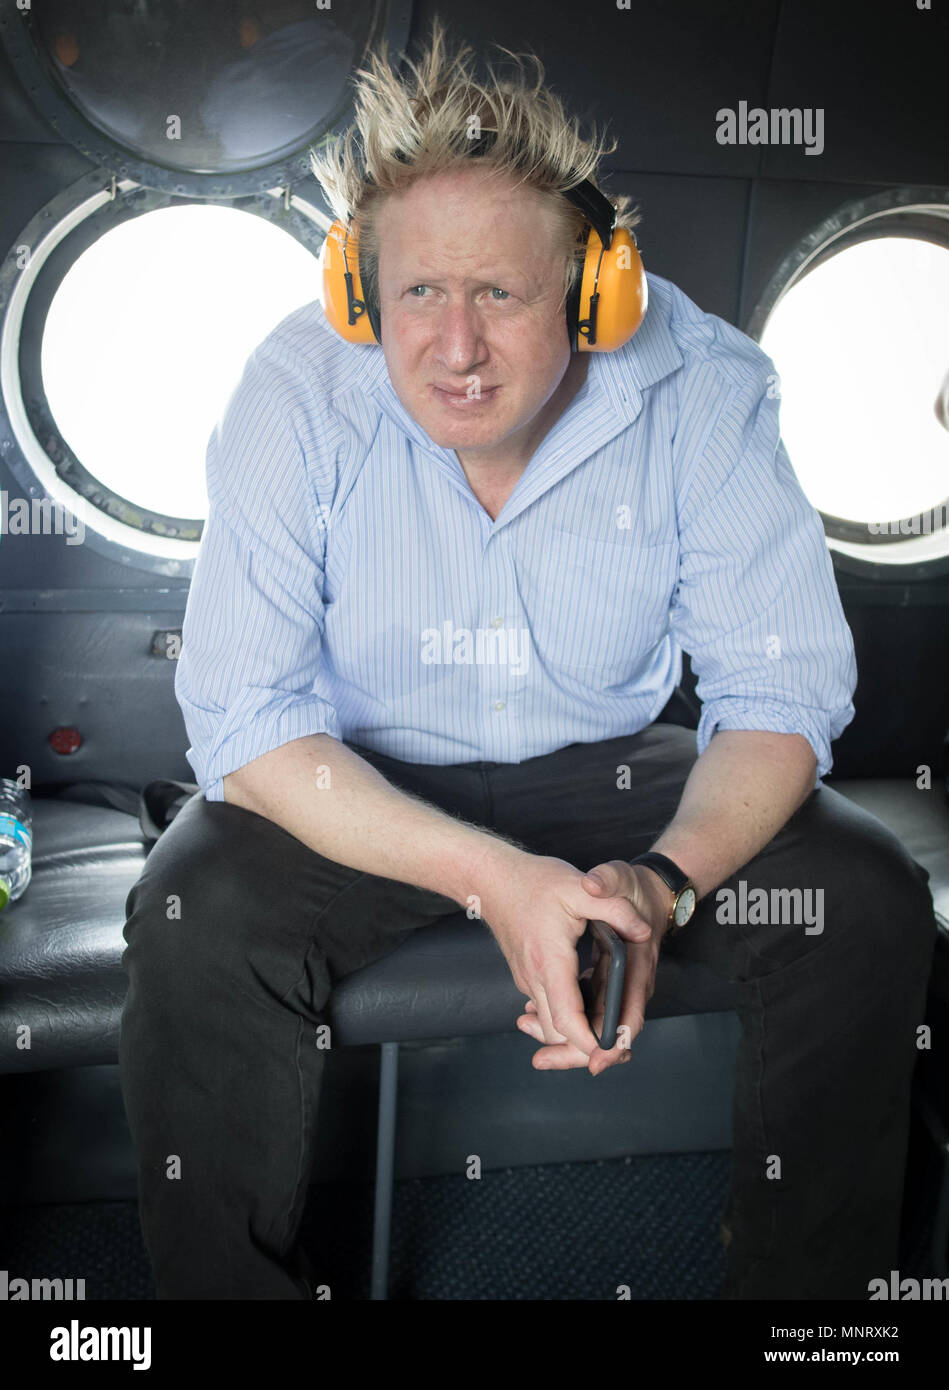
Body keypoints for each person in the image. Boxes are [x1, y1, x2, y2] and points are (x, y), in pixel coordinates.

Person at [118, 19, 938, 1300]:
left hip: (612, 769)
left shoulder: (704, 386)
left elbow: (776, 698)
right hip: (360, 780)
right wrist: (498, 880)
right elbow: (247, 718)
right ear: (357, 294)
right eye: (418, 296)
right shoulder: (293, 388)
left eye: (498, 294)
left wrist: (658, 882)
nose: (454, 347)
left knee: (864, 892)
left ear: (589, 291)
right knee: (197, 915)